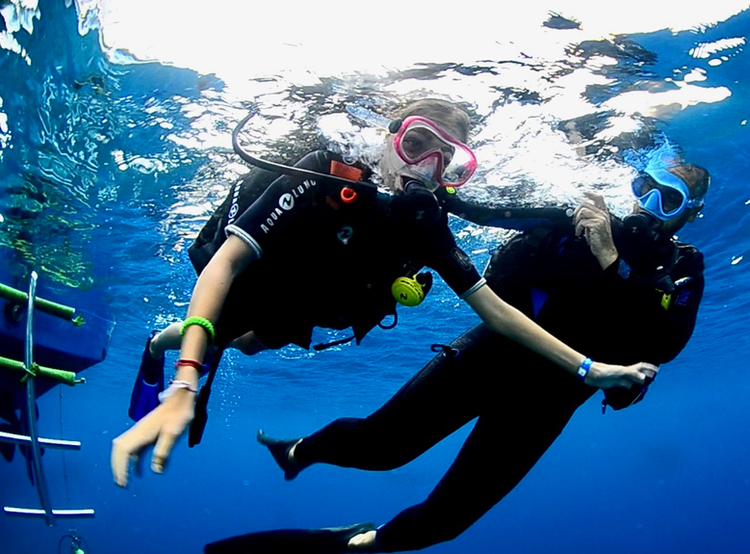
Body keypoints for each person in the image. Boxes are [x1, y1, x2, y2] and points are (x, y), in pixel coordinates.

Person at [111, 99, 655, 487]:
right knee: (217, 338)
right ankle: (158, 349)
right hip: (264, 284)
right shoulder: (322, 175)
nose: (425, 167)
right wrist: (185, 380)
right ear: (388, 137)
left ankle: (201, 349)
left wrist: (592, 370)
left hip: (315, 303)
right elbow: (227, 262)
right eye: (416, 144)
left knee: (258, 344)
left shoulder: (425, 220)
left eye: (447, 161)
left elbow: (496, 311)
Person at [204, 144, 709, 553]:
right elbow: (473, 210)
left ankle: (355, 544)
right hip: (490, 355)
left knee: (447, 521)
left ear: (690, 215)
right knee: (382, 448)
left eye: (669, 201)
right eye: (645, 188)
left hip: (551, 397)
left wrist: (609, 259)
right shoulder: (578, 222)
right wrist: (414, 196)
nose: (647, 208)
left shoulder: (683, 271)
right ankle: (297, 451)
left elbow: (665, 342)